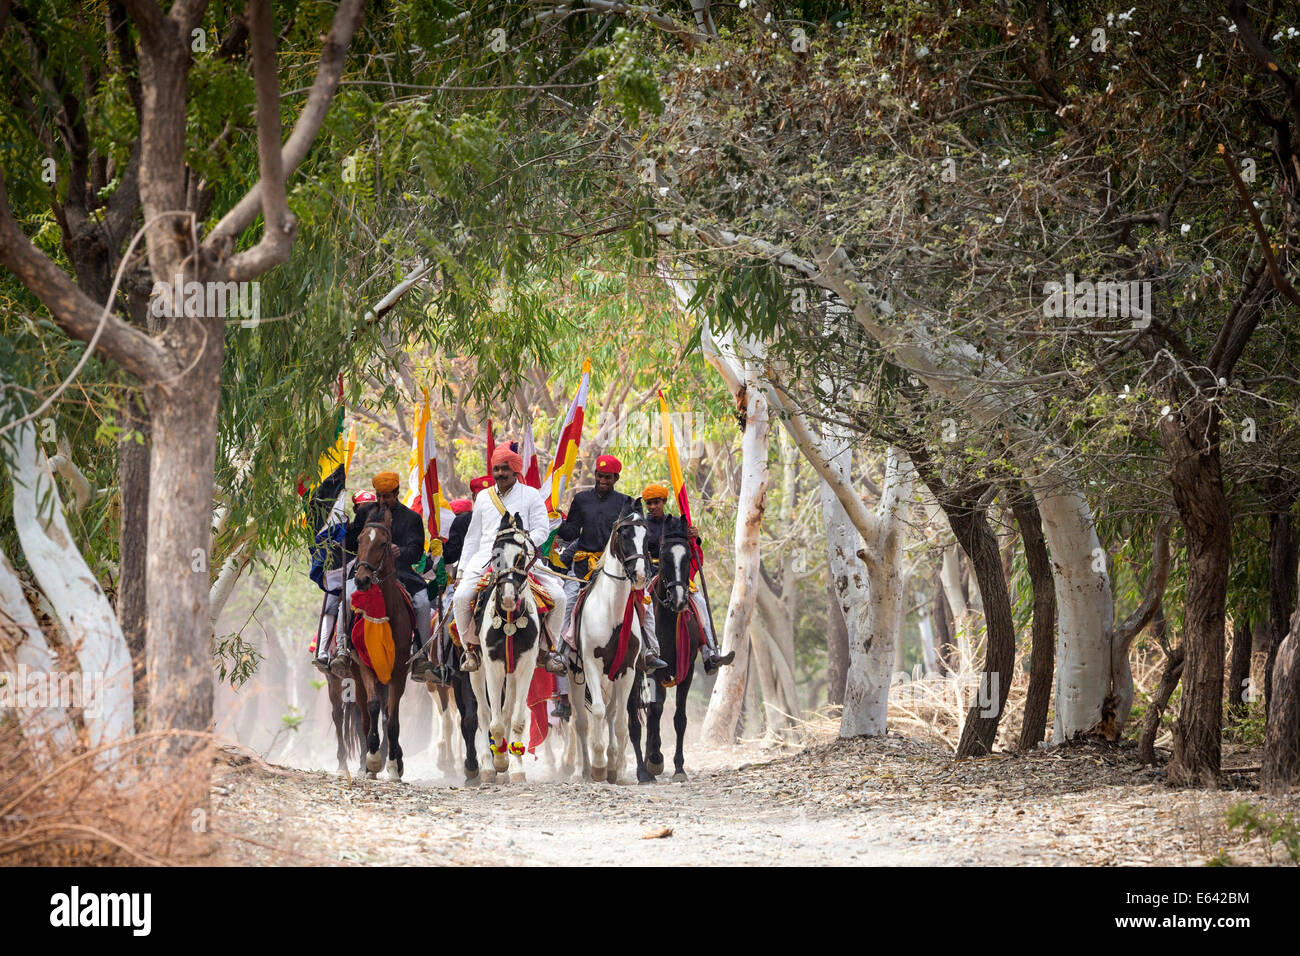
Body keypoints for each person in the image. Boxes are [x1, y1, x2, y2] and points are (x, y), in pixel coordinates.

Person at [453, 447, 567, 674]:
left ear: (515, 471)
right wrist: (462, 571)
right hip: (486, 557)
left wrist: (520, 542)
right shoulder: (484, 497)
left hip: (521, 557)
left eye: (505, 468)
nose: (500, 473)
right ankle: (471, 650)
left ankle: (546, 651)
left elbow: (542, 530)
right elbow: (473, 536)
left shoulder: (531, 494)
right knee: (461, 597)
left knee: (560, 597)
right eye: (496, 468)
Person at [557, 454, 667, 673]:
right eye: (600, 476)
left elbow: (636, 535)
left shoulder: (626, 502)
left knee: (644, 604)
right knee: (566, 600)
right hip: (583, 567)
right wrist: (556, 522)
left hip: (616, 567)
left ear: (616, 478)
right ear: (595, 475)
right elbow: (570, 532)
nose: (603, 481)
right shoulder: (581, 500)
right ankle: (560, 653)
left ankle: (650, 651)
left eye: (608, 477)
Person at [329, 471, 437, 682]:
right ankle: (342, 649)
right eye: (379, 496)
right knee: (348, 598)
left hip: (401, 573)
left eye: (386, 496)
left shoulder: (411, 518)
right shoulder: (365, 512)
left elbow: (416, 552)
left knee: (423, 603)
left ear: (396, 493)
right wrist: (341, 531)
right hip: (366, 572)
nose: (381, 501)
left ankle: (420, 655)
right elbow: (351, 543)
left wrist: (401, 551)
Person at [641, 482, 735, 675]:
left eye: (656, 502)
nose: (652, 507)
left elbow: (688, 549)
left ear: (664, 501)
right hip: (650, 573)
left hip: (675, 574)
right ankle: (643, 651)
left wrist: (695, 537)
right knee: (639, 606)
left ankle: (710, 653)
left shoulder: (677, 522)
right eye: (649, 503)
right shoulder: (641, 526)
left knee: (699, 602)